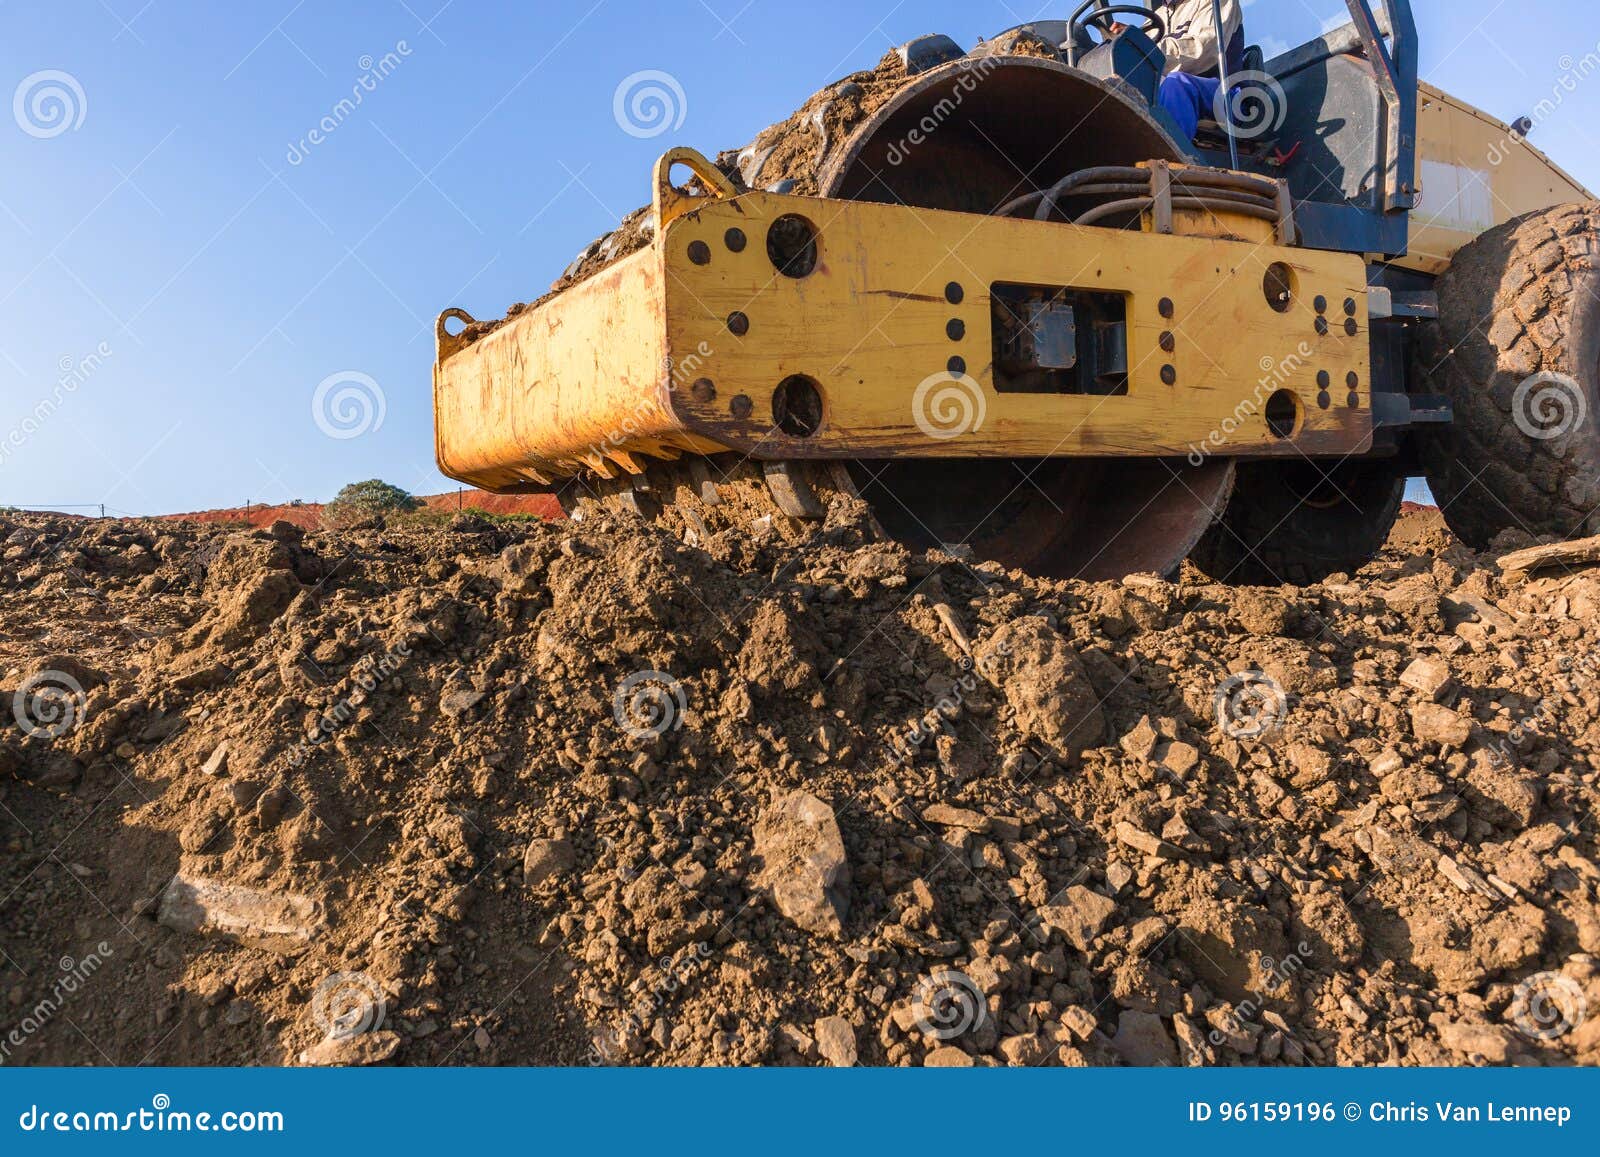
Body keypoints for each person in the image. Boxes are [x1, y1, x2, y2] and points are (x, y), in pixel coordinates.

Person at [1113, 0, 1245, 141]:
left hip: (1224, 94)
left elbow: (1201, 52)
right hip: (1169, 92)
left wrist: (1143, 45)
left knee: (1176, 83)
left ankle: (1170, 155)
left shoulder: (1216, 3)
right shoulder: (1158, 16)